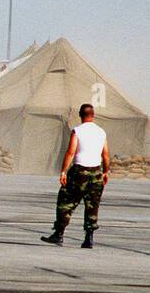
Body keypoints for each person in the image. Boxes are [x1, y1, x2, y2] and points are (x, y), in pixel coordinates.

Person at [41, 103, 110, 248]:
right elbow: (105, 154)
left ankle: (59, 234)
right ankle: (89, 238)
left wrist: (63, 171)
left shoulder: (77, 131)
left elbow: (71, 152)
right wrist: (106, 171)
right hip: (96, 172)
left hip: (79, 172)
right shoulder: (101, 132)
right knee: (92, 206)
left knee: (66, 202)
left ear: (80, 115)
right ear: (93, 114)